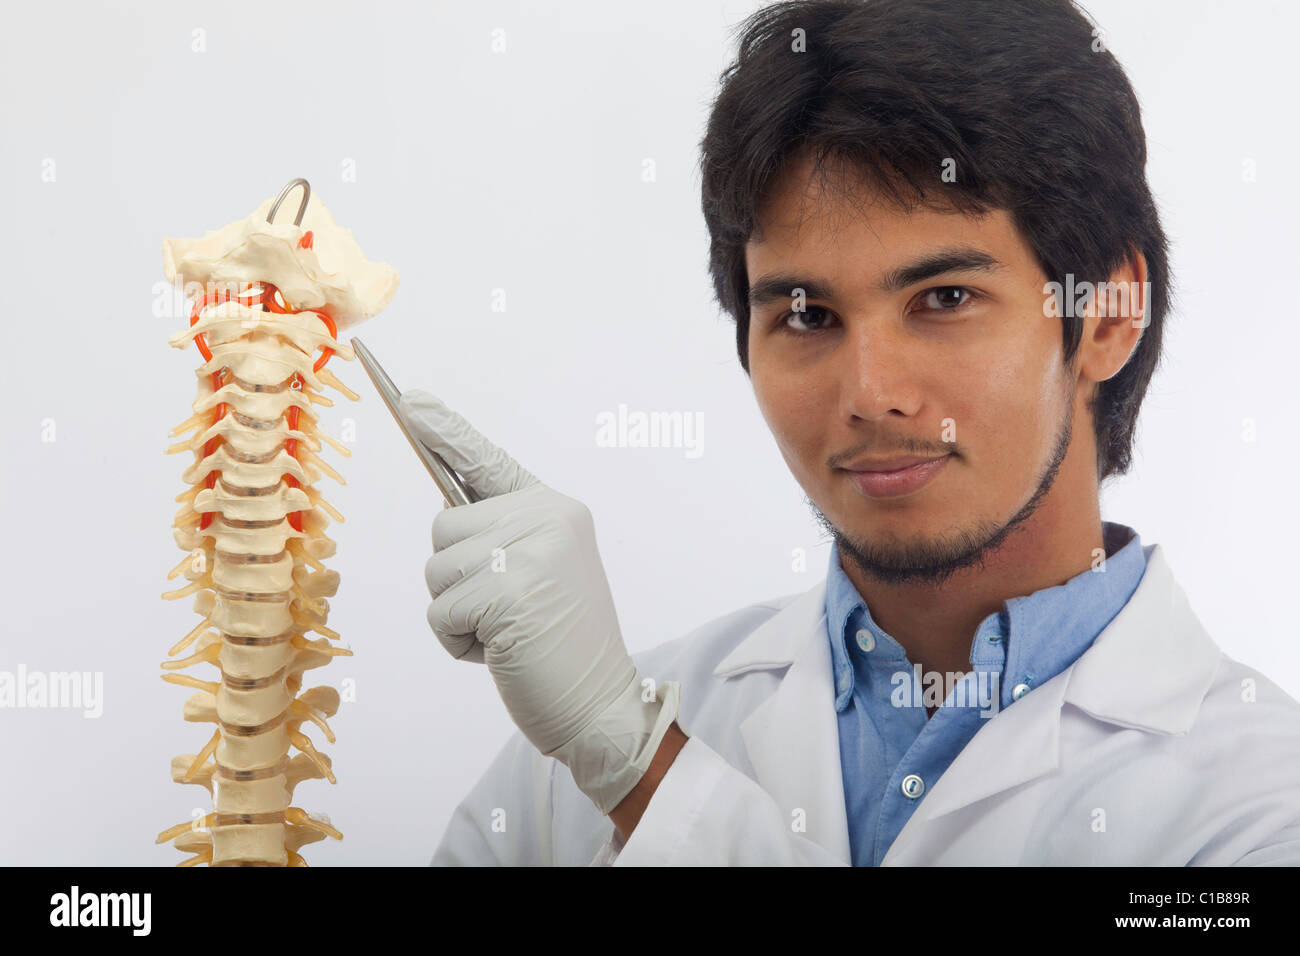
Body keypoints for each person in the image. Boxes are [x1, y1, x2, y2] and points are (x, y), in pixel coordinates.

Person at [404, 0, 1300, 865]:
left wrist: (643, 771)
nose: (871, 394)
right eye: (806, 315)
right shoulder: (561, 770)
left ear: (1107, 313)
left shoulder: (1260, 806)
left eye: (944, 299)